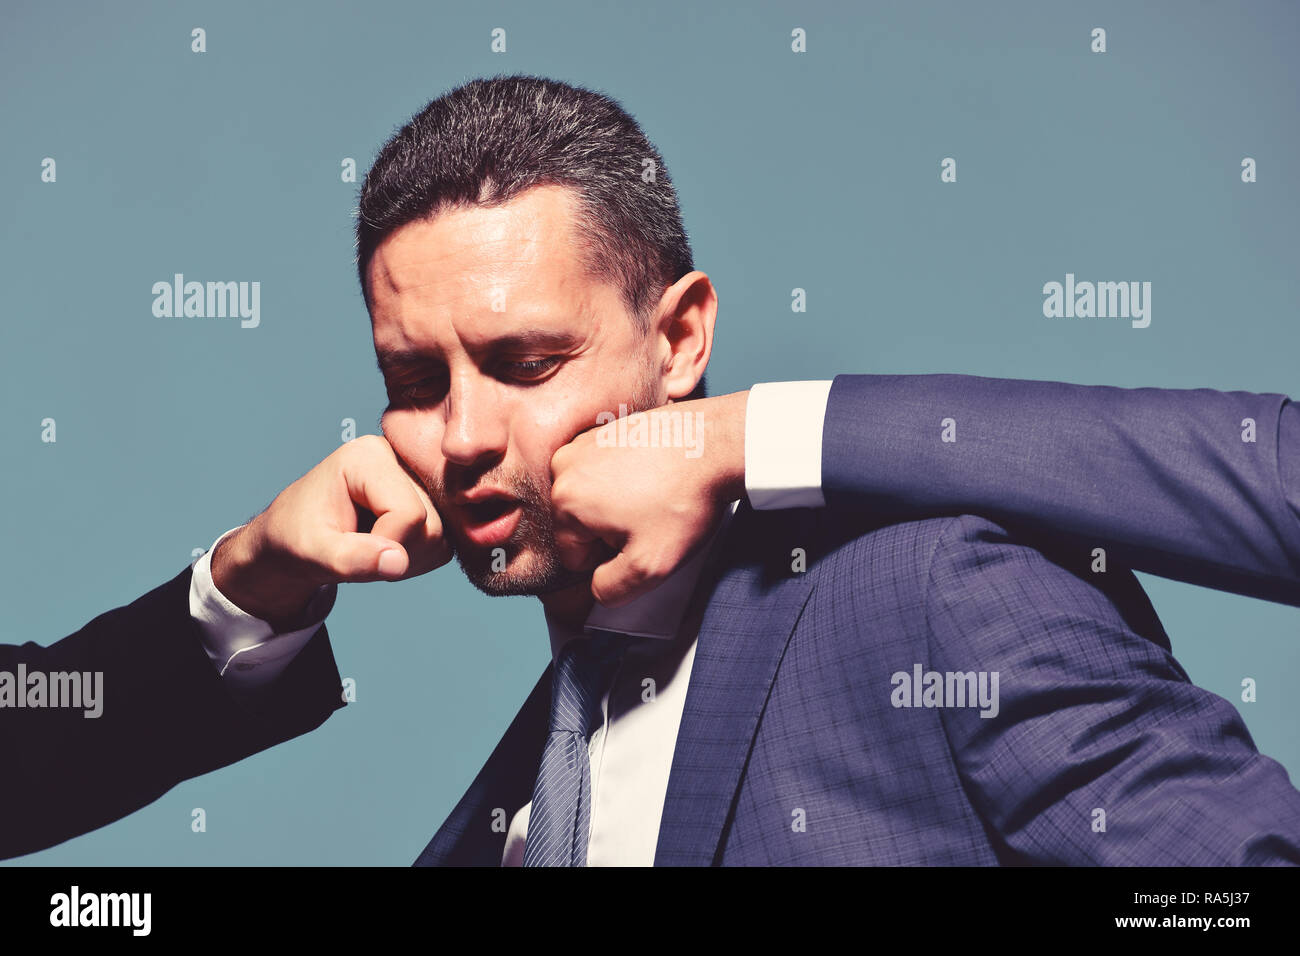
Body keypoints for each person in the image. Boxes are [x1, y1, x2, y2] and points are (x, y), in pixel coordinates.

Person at [5, 73, 1299, 863]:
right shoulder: (499, 821)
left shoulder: (930, 601)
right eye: (413, 383)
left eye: (524, 361)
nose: (457, 438)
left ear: (680, 339)